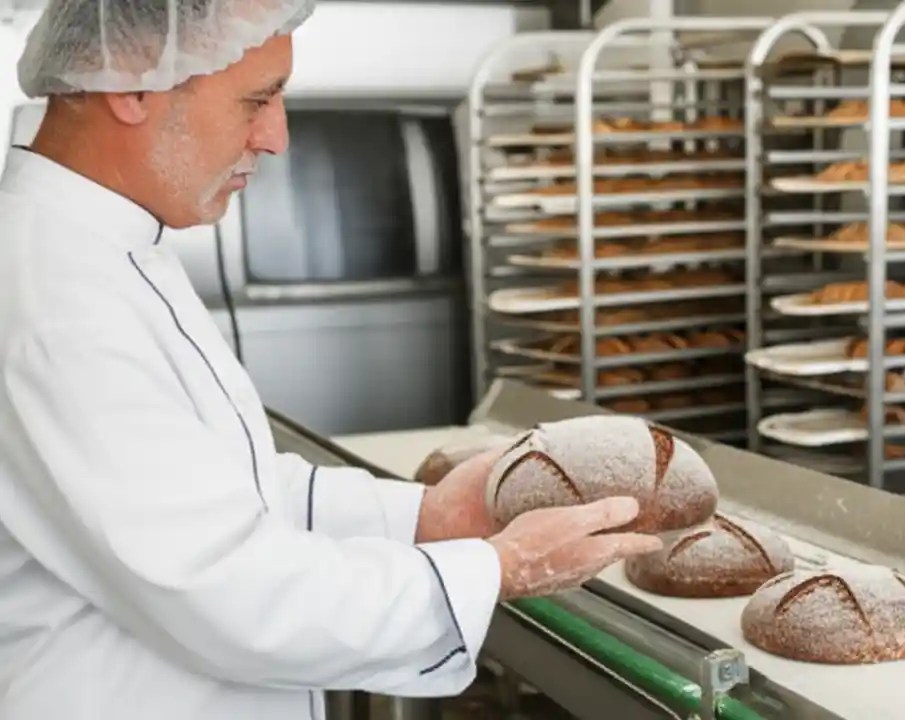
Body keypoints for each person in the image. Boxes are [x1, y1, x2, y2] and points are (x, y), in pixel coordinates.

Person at [0, 2, 662, 718]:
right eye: (257, 99)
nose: (277, 136)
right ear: (130, 87)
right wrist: (496, 568)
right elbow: (229, 592)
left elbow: (211, 493)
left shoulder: (106, 249)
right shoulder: (55, 295)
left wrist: (426, 515)